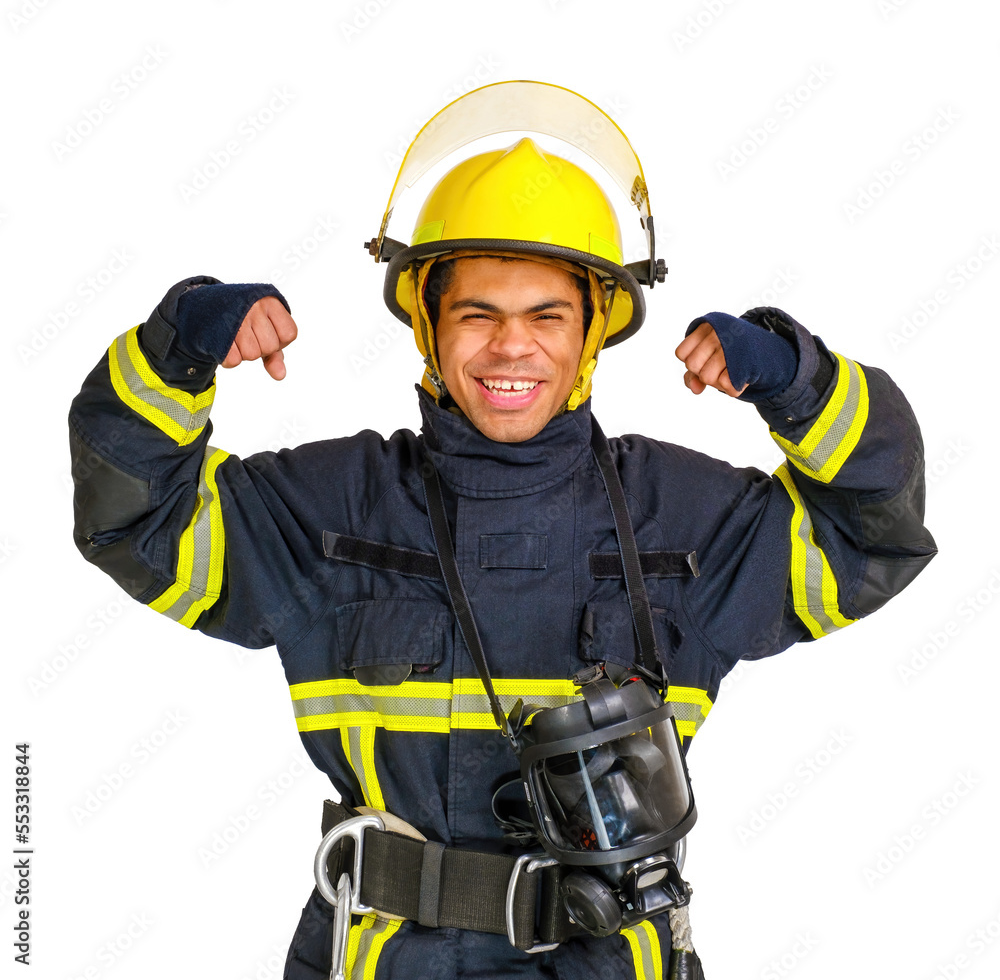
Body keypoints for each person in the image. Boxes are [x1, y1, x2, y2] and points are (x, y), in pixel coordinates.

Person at [69, 82, 935, 980]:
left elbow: (875, 534)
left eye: (546, 315)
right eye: (477, 313)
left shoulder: (685, 518)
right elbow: (139, 519)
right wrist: (172, 355)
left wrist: (798, 381)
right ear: (429, 330)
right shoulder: (333, 507)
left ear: (594, 330)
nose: (510, 348)